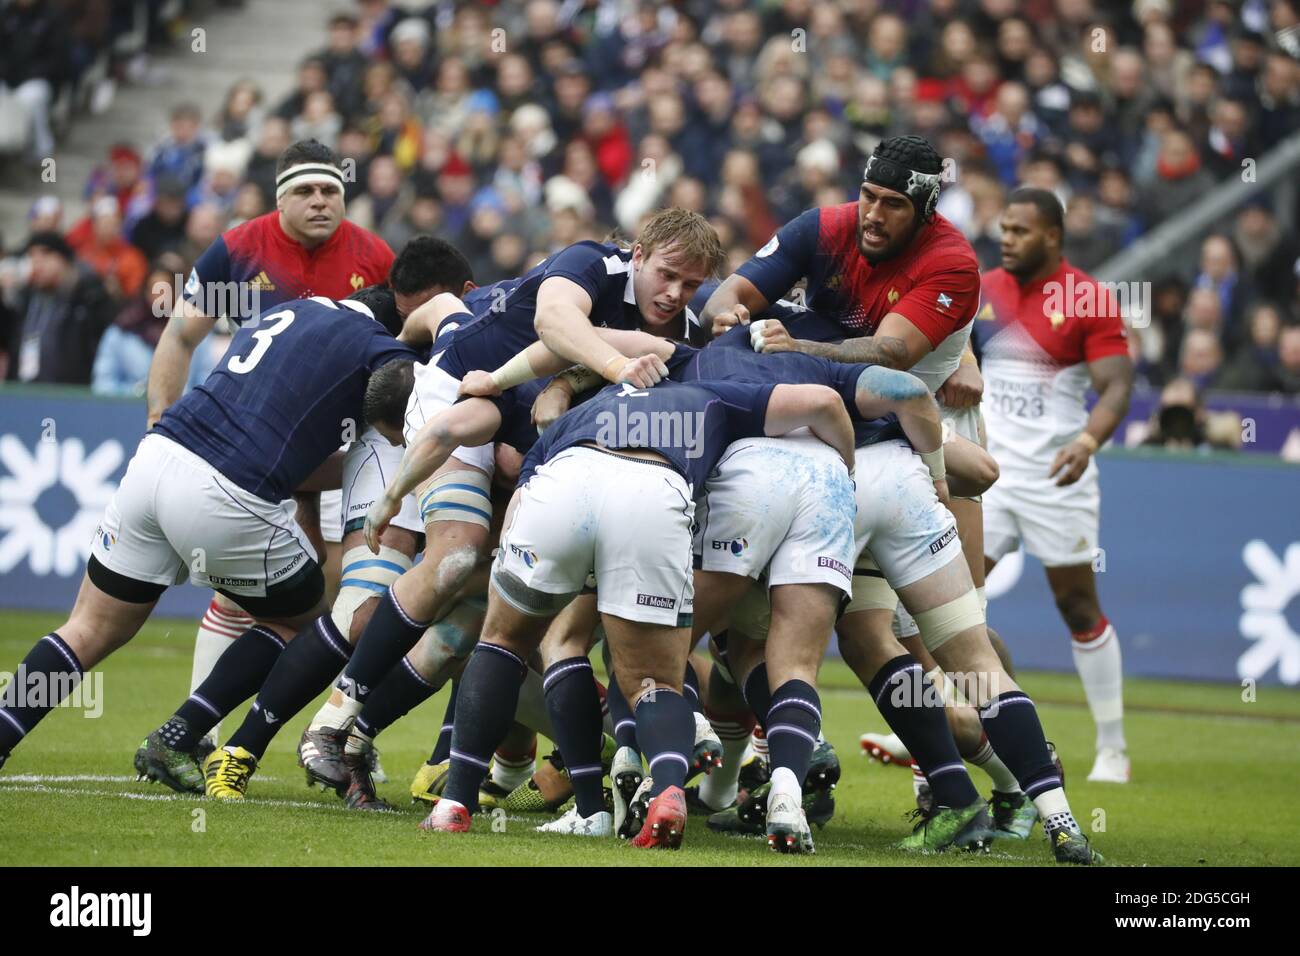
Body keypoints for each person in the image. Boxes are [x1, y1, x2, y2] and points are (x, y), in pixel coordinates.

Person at [415, 374, 857, 848]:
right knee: (655, 679)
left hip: (567, 480)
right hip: (653, 490)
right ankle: (667, 789)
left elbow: (523, 496)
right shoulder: (711, 392)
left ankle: (455, 803)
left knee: (504, 641)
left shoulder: (588, 407)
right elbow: (819, 402)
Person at [0, 288, 415, 778]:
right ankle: (180, 734)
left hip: (157, 459)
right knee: (307, 626)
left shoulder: (286, 312)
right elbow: (402, 402)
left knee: (88, 628)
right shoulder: (376, 344)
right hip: (225, 494)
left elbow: (280, 451)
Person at [144, 139, 395, 752]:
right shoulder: (238, 249)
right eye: (305, 191)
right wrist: (158, 418)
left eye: (330, 191)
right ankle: (202, 739)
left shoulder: (376, 257)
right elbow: (180, 337)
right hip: (252, 449)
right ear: (280, 197)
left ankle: (336, 739)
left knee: (350, 605)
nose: (319, 202)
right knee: (242, 598)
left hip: (341, 453)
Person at [977, 187, 1135, 784]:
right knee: (952, 607)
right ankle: (944, 724)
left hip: (1057, 477)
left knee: (1076, 605)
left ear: (1052, 236)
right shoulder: (983, 289)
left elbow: (1117, 385)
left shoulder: (1088, 298)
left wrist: (1088, 441)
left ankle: (1113, 746)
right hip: (988, 475)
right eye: (1003, 229)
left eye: (1019, 231)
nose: (1007, 240)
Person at [1, 232, 113, 384]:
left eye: (46, 254)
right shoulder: (26, 299)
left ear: (64, 259)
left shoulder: (89, 298)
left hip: (69, 395)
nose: (37, 263)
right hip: (26, 393)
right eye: (32, 256)